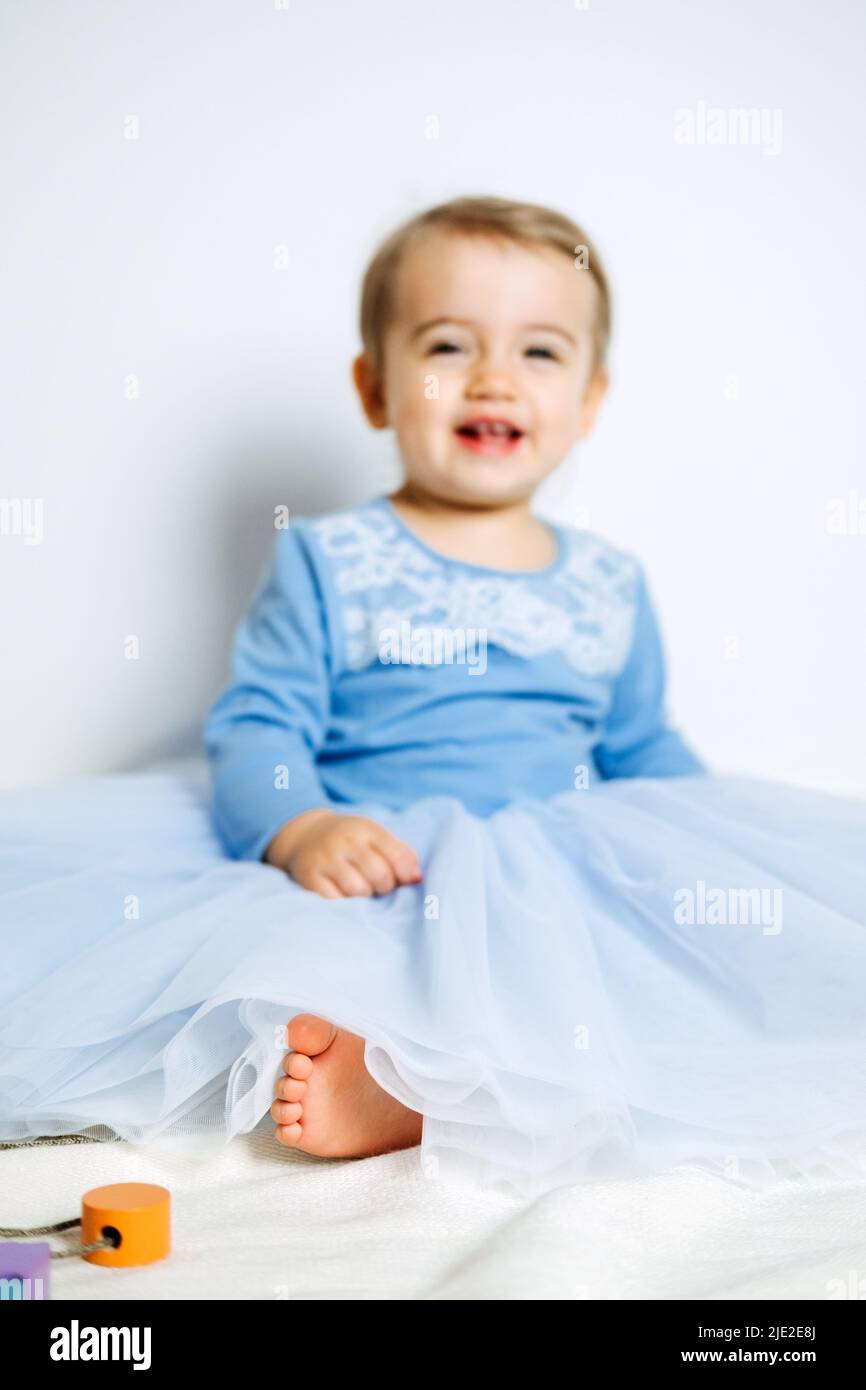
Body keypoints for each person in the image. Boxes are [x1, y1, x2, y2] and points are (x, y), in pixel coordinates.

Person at [2, 197, 865, 1199]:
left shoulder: (607, 580)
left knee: (614, 972)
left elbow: (642, 745)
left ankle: (436, 1083)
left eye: (539, 352)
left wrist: (707, 855)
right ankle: (392, 1074)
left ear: (587, 400)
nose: (494, 375)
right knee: (336, 959)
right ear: (373, 387)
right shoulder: (332, 558)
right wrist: (299, 825)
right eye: (448, 344)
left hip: (559, 854)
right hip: (387, 855)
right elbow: (259, 723)